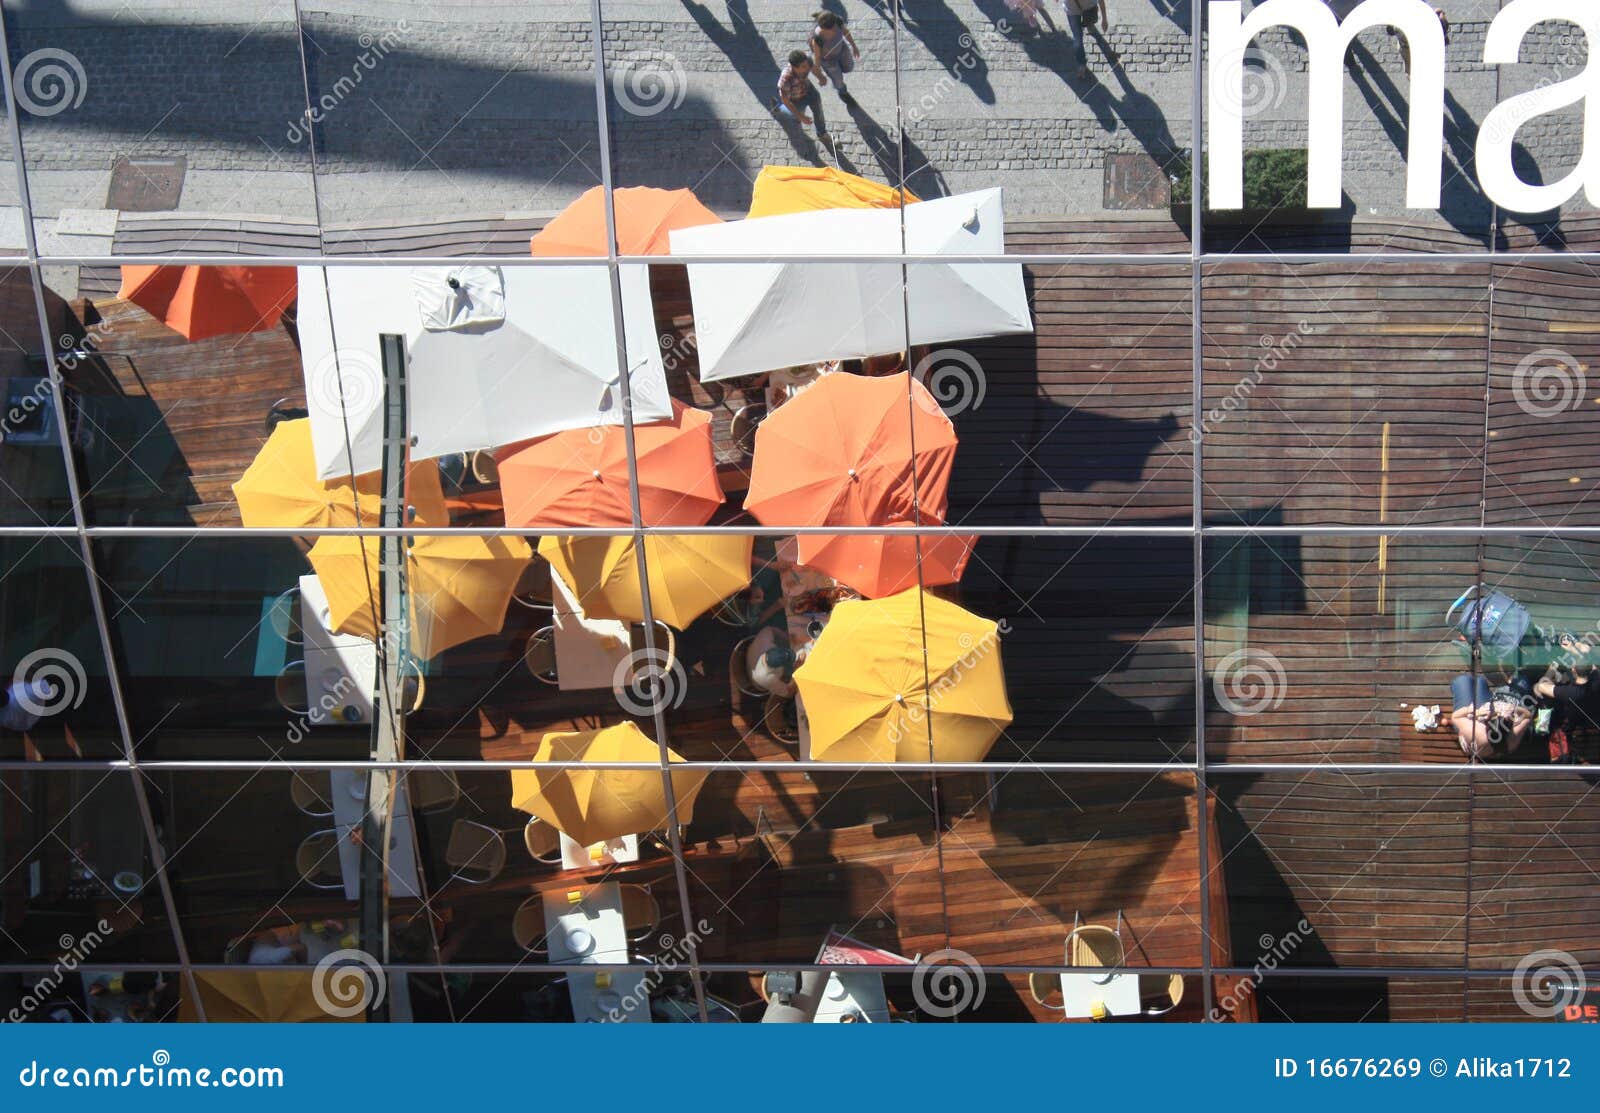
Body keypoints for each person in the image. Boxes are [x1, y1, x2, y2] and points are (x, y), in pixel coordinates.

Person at [1448, 673, 1533, 760]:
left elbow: (1455, 717)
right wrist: (1513, 708)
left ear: (1487, 724)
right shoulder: (1511, 738)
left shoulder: (1478, 732)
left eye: (1494, 715)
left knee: (1463, 680)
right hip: (1489, 737)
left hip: (1469, 719)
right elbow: (1528, 716)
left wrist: (1476, 712)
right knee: (1480, 681)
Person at [774, 50, 832, 149]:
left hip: (809, 91)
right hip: (796, 100)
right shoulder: (785, 79)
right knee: (791, 114)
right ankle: (778, 108)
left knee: (818, 110)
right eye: (803, 67)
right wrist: (801, 117)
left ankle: (822, 133)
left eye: (806, 65)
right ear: (793, 67)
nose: (806, 69)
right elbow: (786, 100)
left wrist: (821, 77)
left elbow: (813, 67)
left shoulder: (806, 62)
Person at [809, 11, 861, 105]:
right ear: (823, 28)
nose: (834, 30)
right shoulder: (817, 39)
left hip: (842, 50)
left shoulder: (837, 22)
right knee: (838, 81)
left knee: (849, 68)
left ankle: (838, 77)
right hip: (829, 62)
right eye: (831, 29)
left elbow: (846, 32)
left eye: (834, 27)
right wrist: (820, 77)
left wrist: (854, 46)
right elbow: (817, 60)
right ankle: (843, 93)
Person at [1061, 0, 1112, 82]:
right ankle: (1081, 63)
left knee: (1077, 38)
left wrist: (1104, 19)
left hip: (1074, 9)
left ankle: (1081, 64)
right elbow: (1101, 1)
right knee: (1078, 38)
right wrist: (1104, 19)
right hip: (1084, 7)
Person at [744, 625, 797, 698]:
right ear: (777, 669)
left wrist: (787, 637)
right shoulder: (768, 678)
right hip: (757, 681)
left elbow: (771, 629)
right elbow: (790, 693)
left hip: (750, 656)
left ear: (773, 648)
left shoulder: (766, 637)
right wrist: (797, 669)